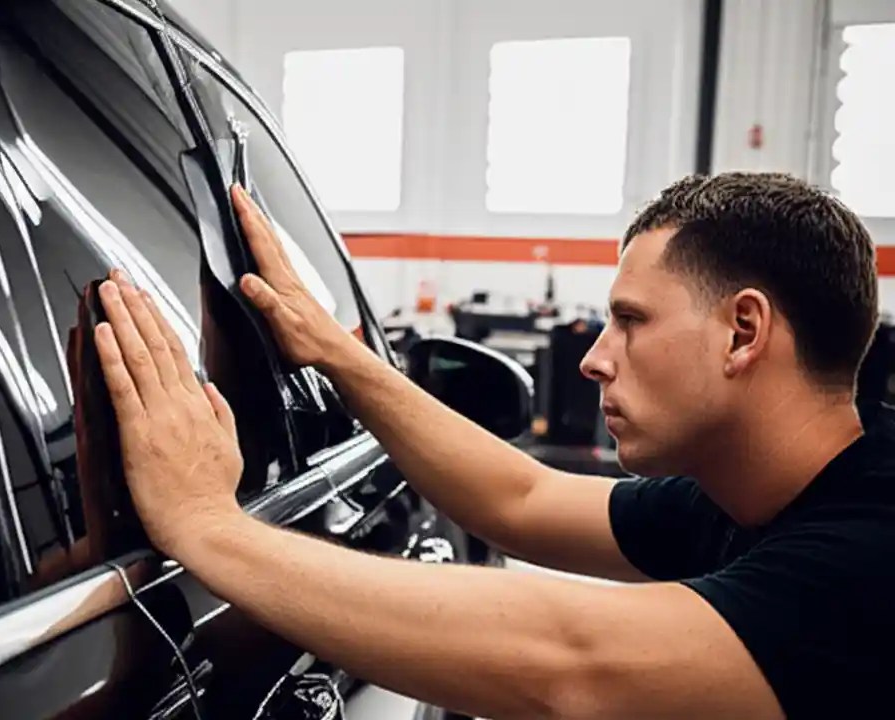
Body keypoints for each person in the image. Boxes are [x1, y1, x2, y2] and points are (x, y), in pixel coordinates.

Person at [91, 173, 893, 719]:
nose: (593, 357)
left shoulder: (869, 549)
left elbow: (569, 663)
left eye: (632, 320)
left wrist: (206, 525)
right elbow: (523, 499)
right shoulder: (752, 495)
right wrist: (338, 354)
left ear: (743, 332)